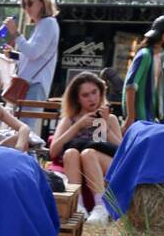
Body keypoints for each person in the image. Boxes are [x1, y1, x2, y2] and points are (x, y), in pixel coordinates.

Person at [50, 72, 122, 222]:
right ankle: (78, 205)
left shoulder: (111, 119)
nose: (92, 98)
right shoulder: (70, 120)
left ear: (101, 92)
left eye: (95, 92)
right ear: (77, 98)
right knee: (70, 152)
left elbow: (122, 152)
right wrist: (77, 126)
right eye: (85, 95)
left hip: (104, 163)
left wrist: (105, 125)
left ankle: (101, 206)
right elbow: (54, 151)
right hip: (75, 165)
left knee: (88, 153)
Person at [2, 0, 60, 130]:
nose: (26, 8)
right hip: (30, 84)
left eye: (30, 3)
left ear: (42, 2)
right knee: (21, 130)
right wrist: (14, 55)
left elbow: (33, 52)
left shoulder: (48, 23)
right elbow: (33, 56)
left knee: (24, 131)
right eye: (24, 4)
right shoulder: (42, 25)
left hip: (34, 84)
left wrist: (15, 33)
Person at [121, 14, 164, 134]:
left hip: (150, 119)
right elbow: (130, 86)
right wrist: (130, 118)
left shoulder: (158, 57)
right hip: (139, 120)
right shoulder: (145, 55)